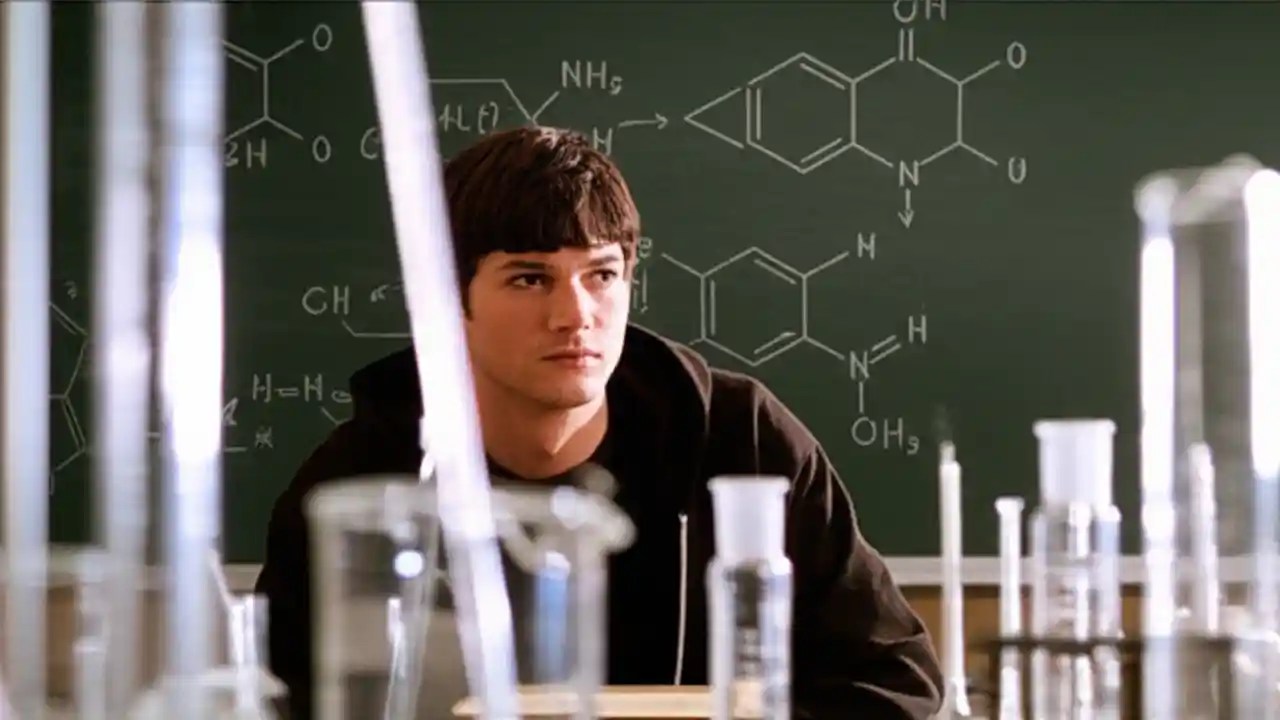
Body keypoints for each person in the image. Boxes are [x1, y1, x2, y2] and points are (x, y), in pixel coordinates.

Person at [254, 125, 943, 719]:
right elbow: (277, 703)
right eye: (530, 278)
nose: (575, 314)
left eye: (602, 275)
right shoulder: (360, 485)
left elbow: (895, 683)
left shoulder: (742, 441)